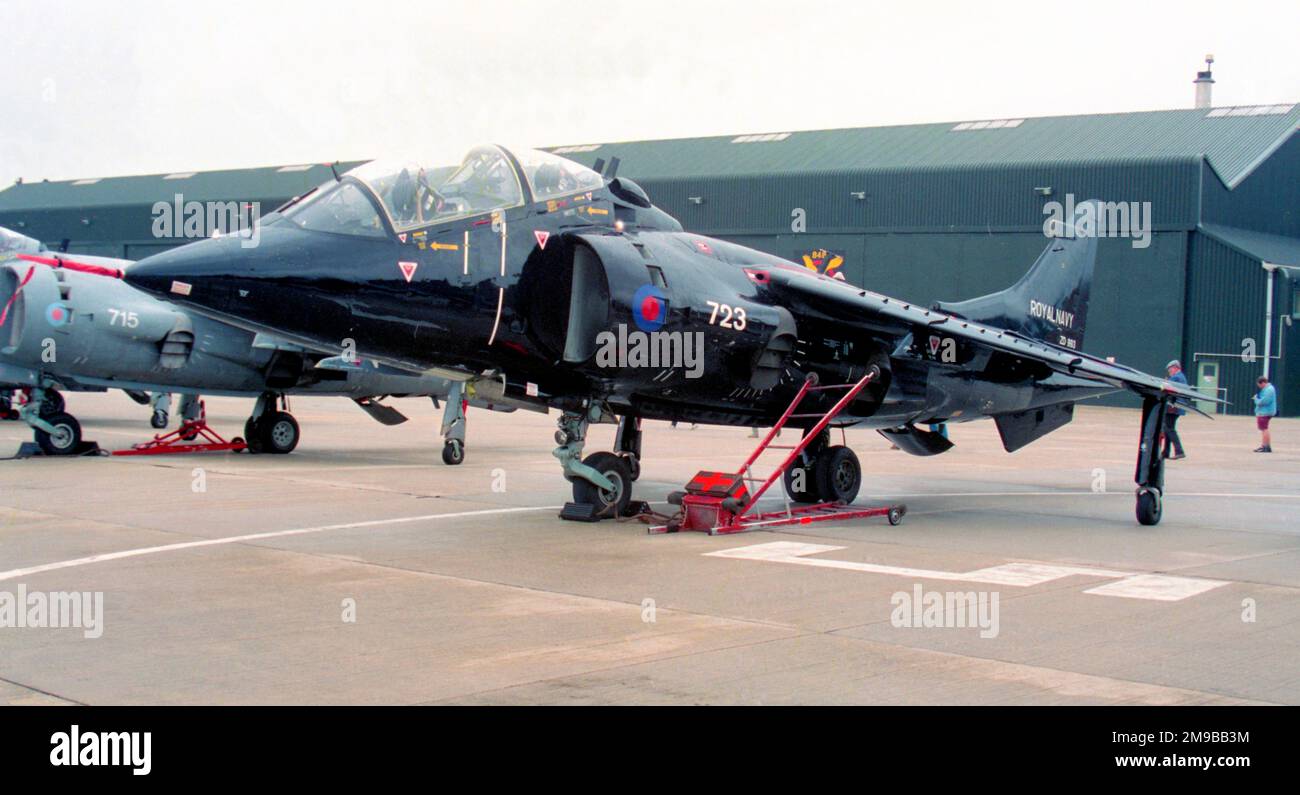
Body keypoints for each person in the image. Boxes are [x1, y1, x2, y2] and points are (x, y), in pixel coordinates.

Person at [1162, 360, 1187, 459]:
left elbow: (1165, 387)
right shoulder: (1180, 377)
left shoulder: (1176, 377)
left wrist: (1165, 382)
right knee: (1168, 428)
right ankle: (1166, 452)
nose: (1169, 371)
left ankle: (1179, 451)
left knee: (1169, 429)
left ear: (1175, 368)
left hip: (1173, 407)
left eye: (1170, 369)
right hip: (1176, 407)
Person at [1252, 376, 1277, 453]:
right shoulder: (1268, 389)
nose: (1259, 387)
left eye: (1259, 385)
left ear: (1263, 383)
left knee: (1264, 429)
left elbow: (1264, 401)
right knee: (1263, 429)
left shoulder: (1269, 390)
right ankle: (1264, 445)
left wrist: (1256, 399)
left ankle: (1266, 446)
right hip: (1265, 411)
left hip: (1265, 412)